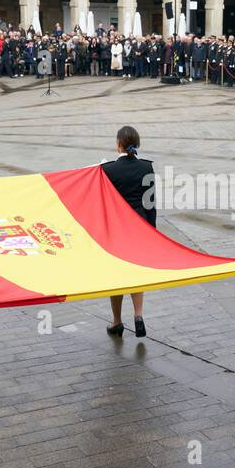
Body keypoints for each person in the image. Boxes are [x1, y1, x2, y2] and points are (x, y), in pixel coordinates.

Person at [100, 125, 155, 337]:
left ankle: (116, 322)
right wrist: (153, 232)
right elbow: (150, 203)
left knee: (117, 275)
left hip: (116, 229)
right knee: (136, 271)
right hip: (139, 226)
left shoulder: (107, 170)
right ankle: (138, 315)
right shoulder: (146, 168)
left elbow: (103, 202)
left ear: (118, 144)